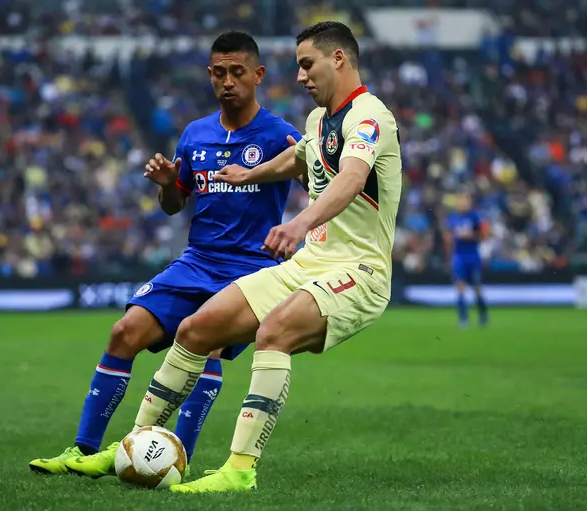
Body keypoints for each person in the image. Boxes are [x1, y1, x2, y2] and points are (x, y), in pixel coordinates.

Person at [126, 20, 402, 493]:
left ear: (339, 59)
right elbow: (298, 161)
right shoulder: (318, 122)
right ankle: (133, 445)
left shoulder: (370, 117)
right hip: (308, 266)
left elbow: (351, 179)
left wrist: (298, 224)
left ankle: (239, 469)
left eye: (306, 64)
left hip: (360, 270)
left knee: (274, 331)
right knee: (196, 329)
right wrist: (247, 172)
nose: (300, 77)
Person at [29, 31, 302, 477]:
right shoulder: (195, 134)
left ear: (258, 75)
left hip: (250, 268)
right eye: (219, 73)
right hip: (197, 260)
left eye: (237, 72)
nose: (227, 81)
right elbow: (176, 203)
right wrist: (167, 186)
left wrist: (298, 229)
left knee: (206, 345)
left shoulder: (280, 135)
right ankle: (82, 451)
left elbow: (319, 183)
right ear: (209, 76)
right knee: (124, 332)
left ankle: (179, 458)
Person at [444, 193, 488, 328]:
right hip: (459, 256)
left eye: (466, 203)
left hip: (472, 255)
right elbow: (448, 238)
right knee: (460, 287)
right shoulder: (453, 218)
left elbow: (484, 235)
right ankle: (463, 318)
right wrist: (449, 256)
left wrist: (471, 236)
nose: (463, 205)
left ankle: (482, 314)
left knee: (476, 288)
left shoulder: (475, 217)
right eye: (461, 203)